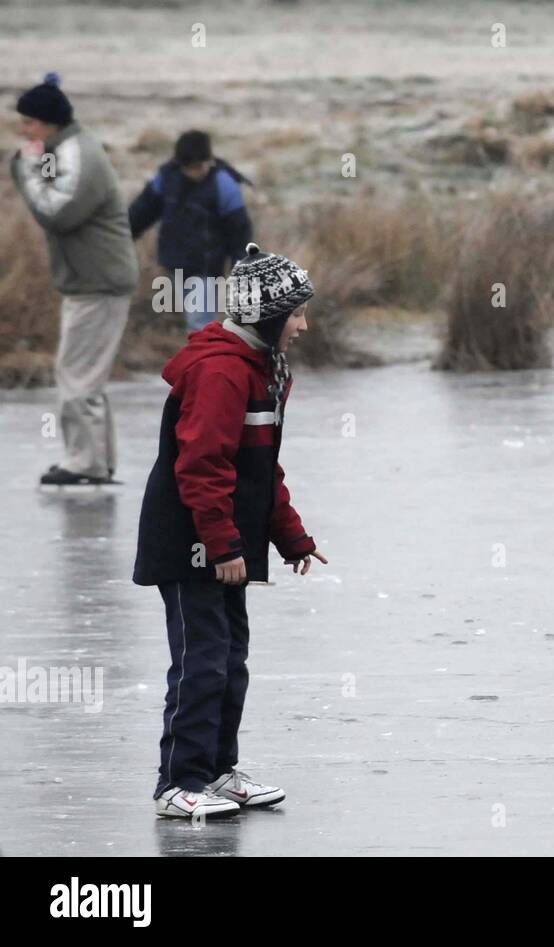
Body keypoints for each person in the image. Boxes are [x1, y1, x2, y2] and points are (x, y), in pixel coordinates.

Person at [133, 243, 327, 818]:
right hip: (193, 542)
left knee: (230, 658)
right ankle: (179, 782)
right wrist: (219, 543)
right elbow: (202, 466)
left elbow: (261, 468)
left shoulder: (257, 367)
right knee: (201, 660)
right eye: (295, 313)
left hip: (225, 545)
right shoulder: (221, 372)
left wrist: (290, 537)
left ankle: (217, 771)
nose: (303, 325)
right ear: (267, 316)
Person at [11, 72, 139, 486]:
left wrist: (27, 171)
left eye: (28, 122)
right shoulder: (66, 149)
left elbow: (58, 213)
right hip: (90, 282)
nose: (23, 130)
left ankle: (84, 464)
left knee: (77, 375)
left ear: (49, 123)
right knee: (85, 376)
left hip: (98, 283)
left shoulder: (78, 153)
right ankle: (95, 462)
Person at [129, 129, 253, 332]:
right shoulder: (166, 178)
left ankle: (203, 363)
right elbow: (143, 211)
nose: (196, 172)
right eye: (190, 168)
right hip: (174, 264)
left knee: (199, 327)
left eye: (200, 166)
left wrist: (241, 268)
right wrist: (122, 235)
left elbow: (239, 232)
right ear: (180, 164)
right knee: (190, 322)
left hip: (206, 270)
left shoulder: (224, 184)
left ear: (209, 161)